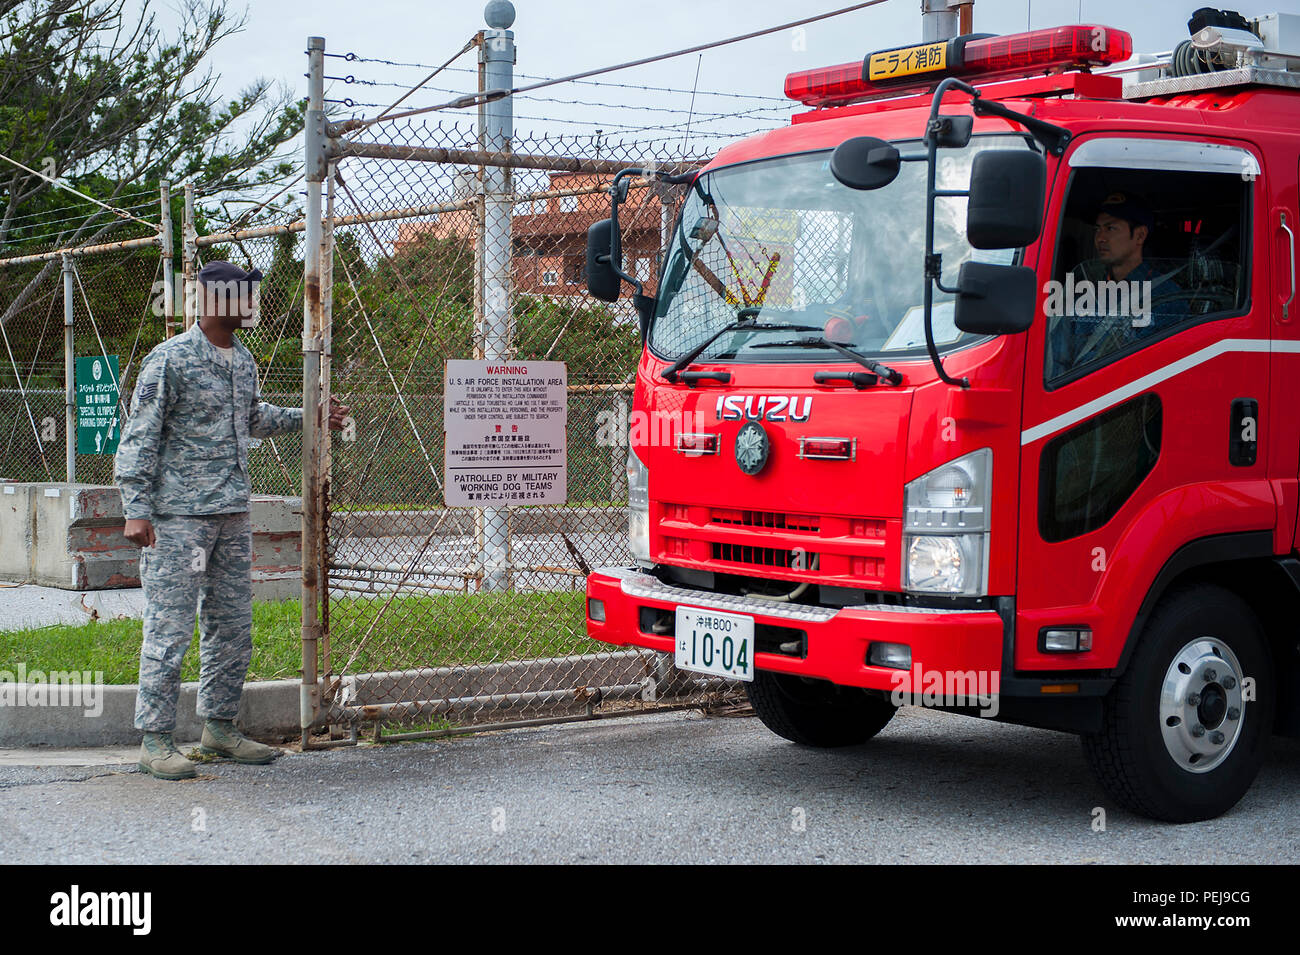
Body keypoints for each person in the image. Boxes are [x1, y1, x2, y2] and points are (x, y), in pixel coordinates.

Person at [115, 261, 348, 780]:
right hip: (178, 518)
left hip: (230, 514)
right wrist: (136, 508)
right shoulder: (169, 360)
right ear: (217, 300)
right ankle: (154, 740)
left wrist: (309, 413)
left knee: (232, 626)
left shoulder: (242, 360)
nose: (253, 306)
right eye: (246, 297)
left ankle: (218, 727)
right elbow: (138, 437)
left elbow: (253, 418)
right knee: (169, 626)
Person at [1048, 192, 1183, 378]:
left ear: (1140, 235)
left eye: (1110, 228)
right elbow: (1058, 363)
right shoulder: (1086, 296)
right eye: (1097, 229)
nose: (1100, 238)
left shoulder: (1167, 298)